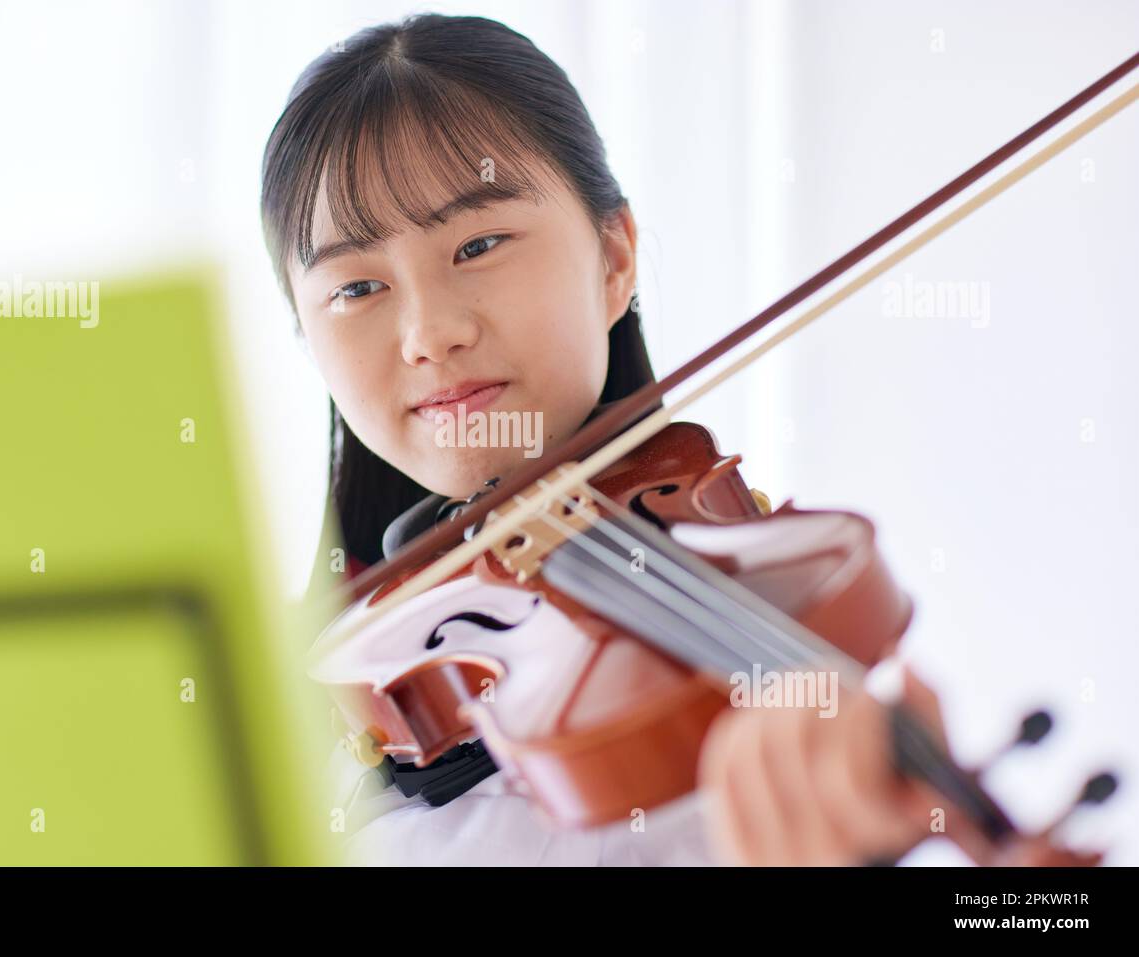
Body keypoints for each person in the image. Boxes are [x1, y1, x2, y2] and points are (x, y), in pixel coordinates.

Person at [260, 12, 946, 866]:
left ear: (614, 259)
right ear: (306, 339)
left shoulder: (761, 684)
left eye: (478, 243)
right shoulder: (286, 716)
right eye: (356, 287)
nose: (429, 333)